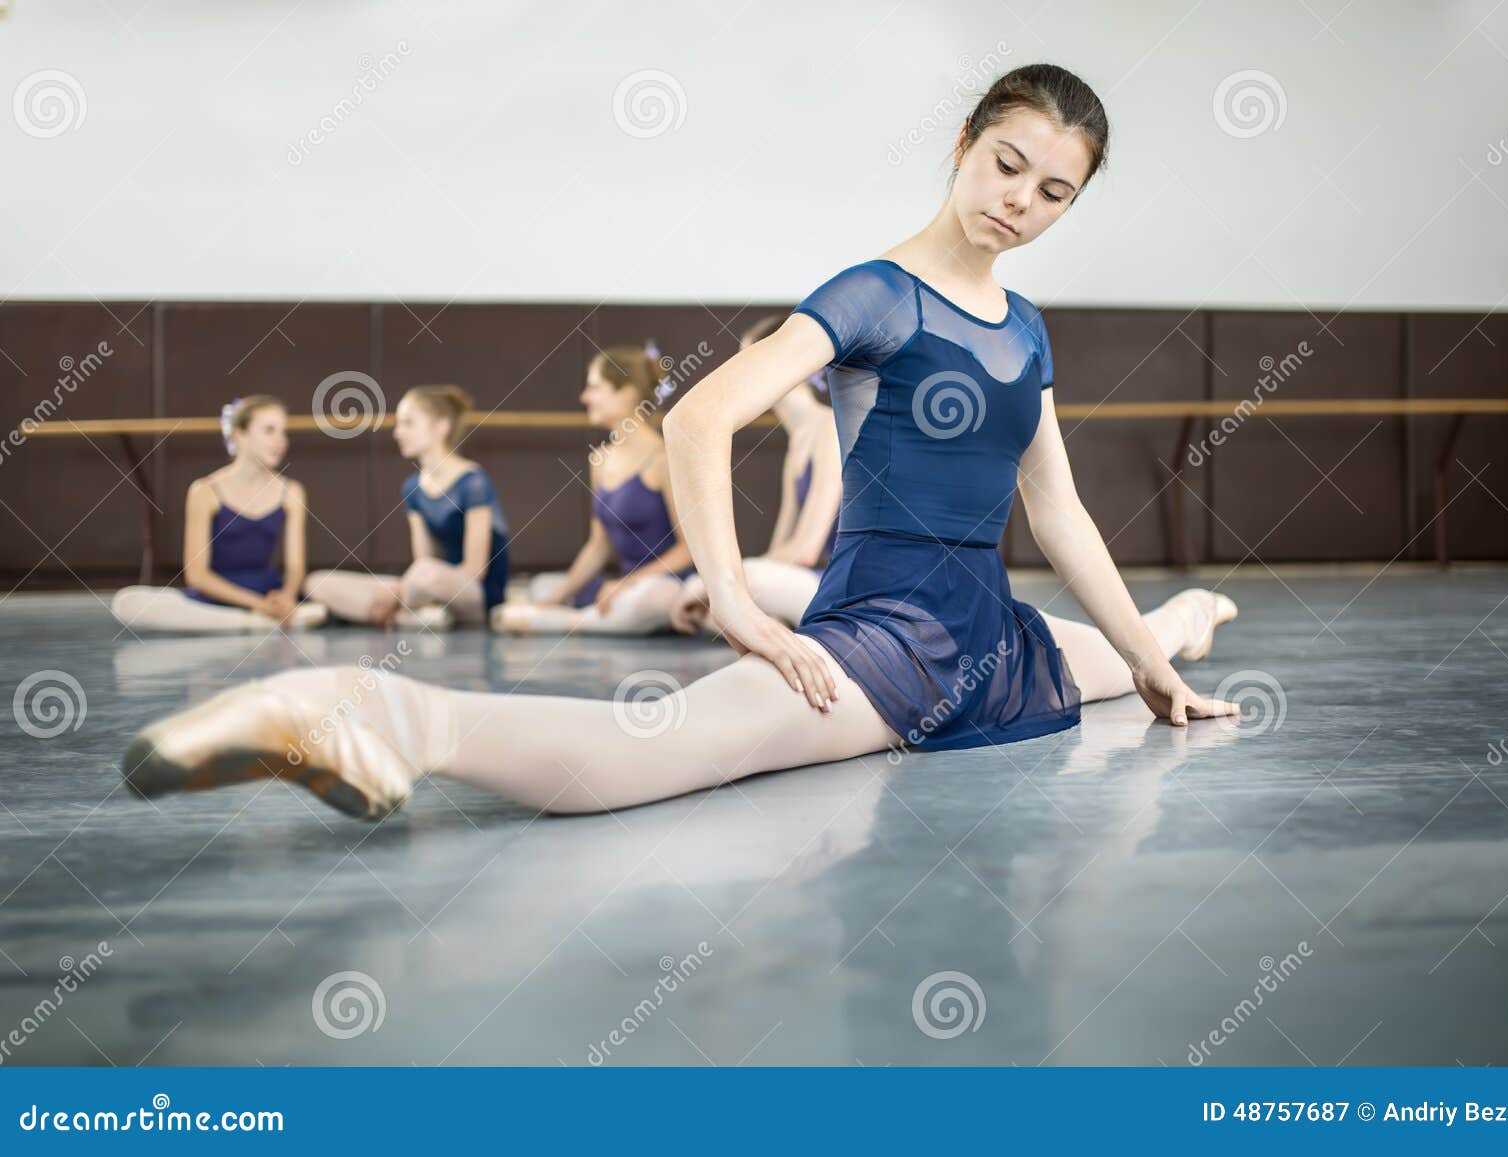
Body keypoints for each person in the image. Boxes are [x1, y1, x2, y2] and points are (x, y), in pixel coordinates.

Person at [120, 62, 1240, 822]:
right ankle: (373, 711)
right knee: (663, 750)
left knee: (1157, 647)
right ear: (962, 144)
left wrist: (1153, 661)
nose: (1019, 201)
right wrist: (741, 606)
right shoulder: (875, 293)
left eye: (1053, 191)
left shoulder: (1027, 330)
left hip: (993, 638)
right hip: (886, 639)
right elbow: (701, 415)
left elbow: (1059, 512)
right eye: (1006, 163)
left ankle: (1195, 619)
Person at [491, 344, 695, 636]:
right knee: (542, 586)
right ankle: (570, 615)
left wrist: (628, 584)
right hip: (621, 589)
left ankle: (562, 623)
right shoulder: (599, 460)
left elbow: (688, 549)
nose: (584, 397)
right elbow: (599, 545)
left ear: (626, 393)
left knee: (652, 598)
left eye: (594, 387)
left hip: (661, 587)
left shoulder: (663, 459)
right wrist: (558, 595)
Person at [669, 314, 841, 635]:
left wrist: (723, 582)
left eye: (748, 360)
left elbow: (805, 551)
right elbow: (782, 543)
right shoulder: (799, 441)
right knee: (717, 606)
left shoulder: (829, 430)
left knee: (712, 587)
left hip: (834, 587)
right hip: (801, 584)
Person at [110, 396, 326, 633]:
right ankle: (251, 621)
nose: (280, 441)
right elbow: (197, 575)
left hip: (266, 589)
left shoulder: (292, 491)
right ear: (239, 434)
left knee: (323, 595)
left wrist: (285, 598)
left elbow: (295, 567)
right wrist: (259, 606)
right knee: (127, 603)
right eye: (269, 431)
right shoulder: (204, 491)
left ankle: (254, 621)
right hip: (216, 596)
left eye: (283, 432)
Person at [304, 385, 510, 629]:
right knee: (317, 582)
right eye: (399, 424)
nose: (398, 433)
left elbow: (475, 570)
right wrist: (406, 589)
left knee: (425, 575)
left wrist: (401, 591)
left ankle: (391, 611)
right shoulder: (412, 487)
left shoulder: (474, 481)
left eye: (408, 423)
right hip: (426, 586)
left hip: (474, 592)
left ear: (440, 427)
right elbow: (423, 558)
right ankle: (406, 613)